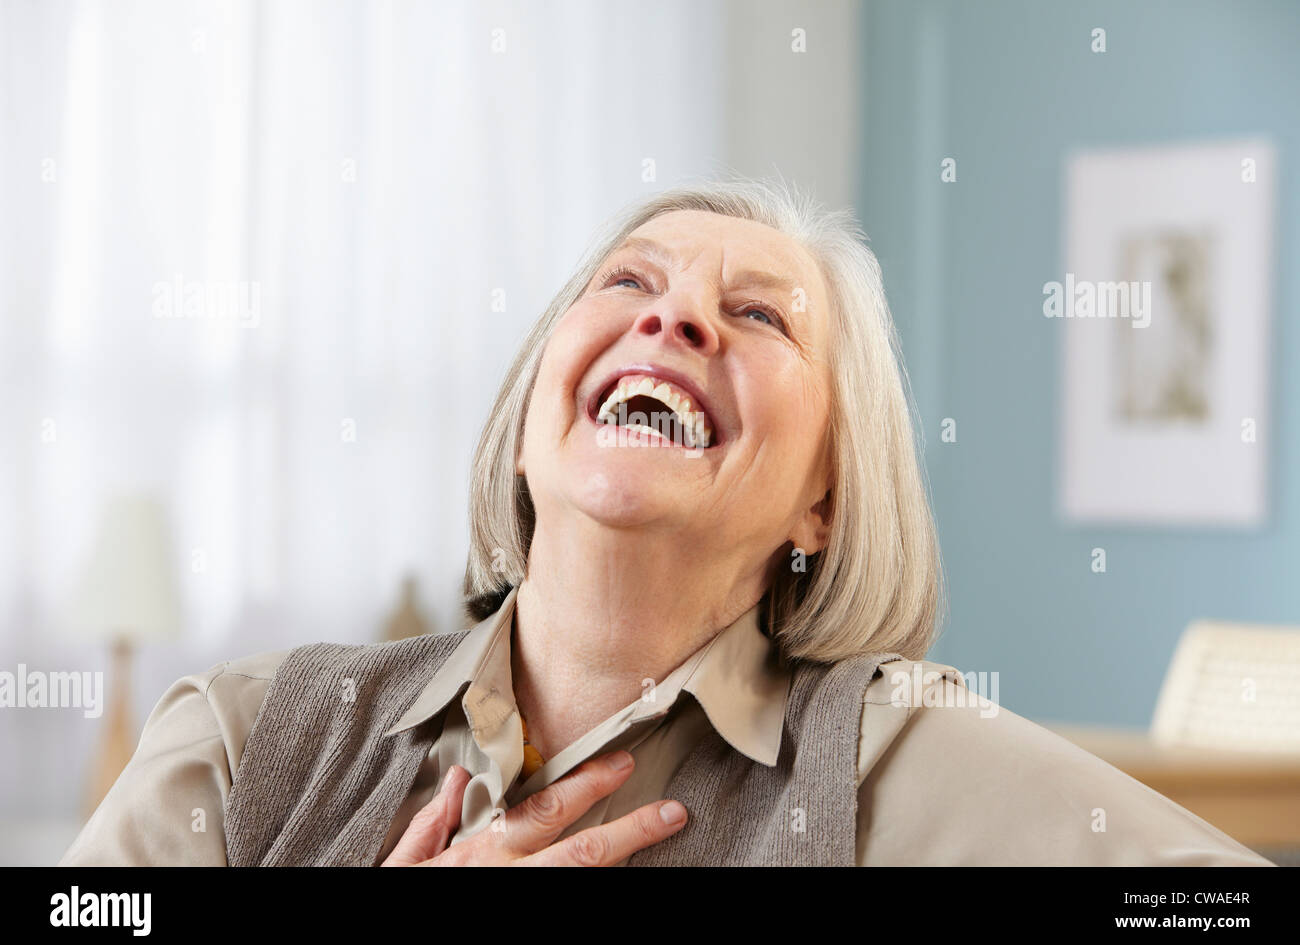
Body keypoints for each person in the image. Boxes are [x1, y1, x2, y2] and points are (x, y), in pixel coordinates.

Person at [60, 178, 1274, 866]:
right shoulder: (242, 738)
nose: (676, 318)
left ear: (826, 498)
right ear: (531, 420)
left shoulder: (896, 761)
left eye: (759, 315)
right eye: (630, 282)